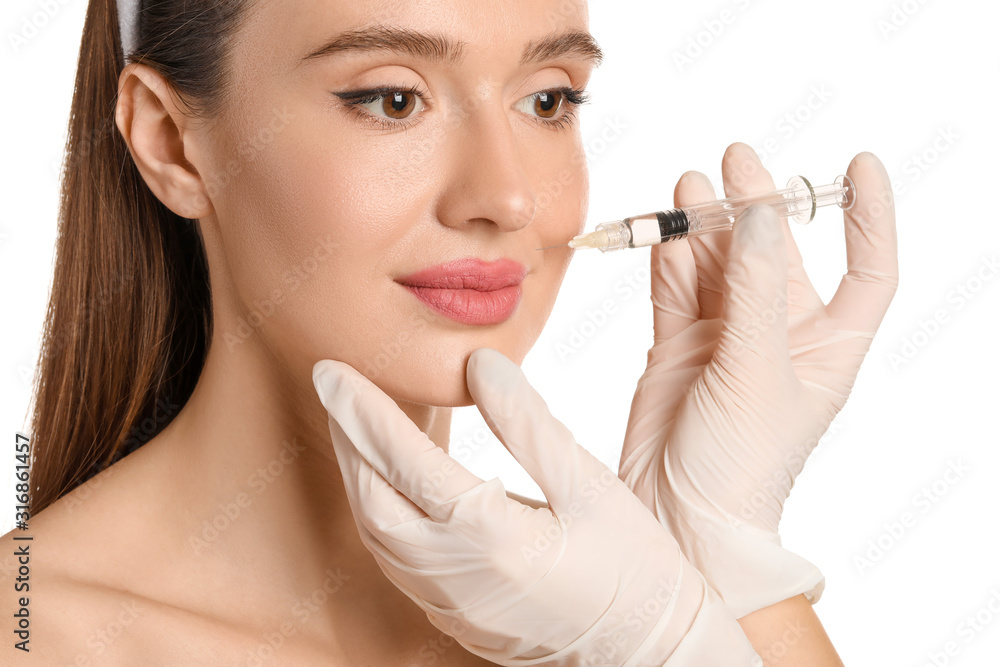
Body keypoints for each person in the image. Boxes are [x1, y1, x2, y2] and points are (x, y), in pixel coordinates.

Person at [1, 0, 897, 663]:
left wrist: (729, 562)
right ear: (170, 140)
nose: (506, 197)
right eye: (393, 99)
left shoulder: (614, 608)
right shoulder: (33, 629)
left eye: (548, 100)